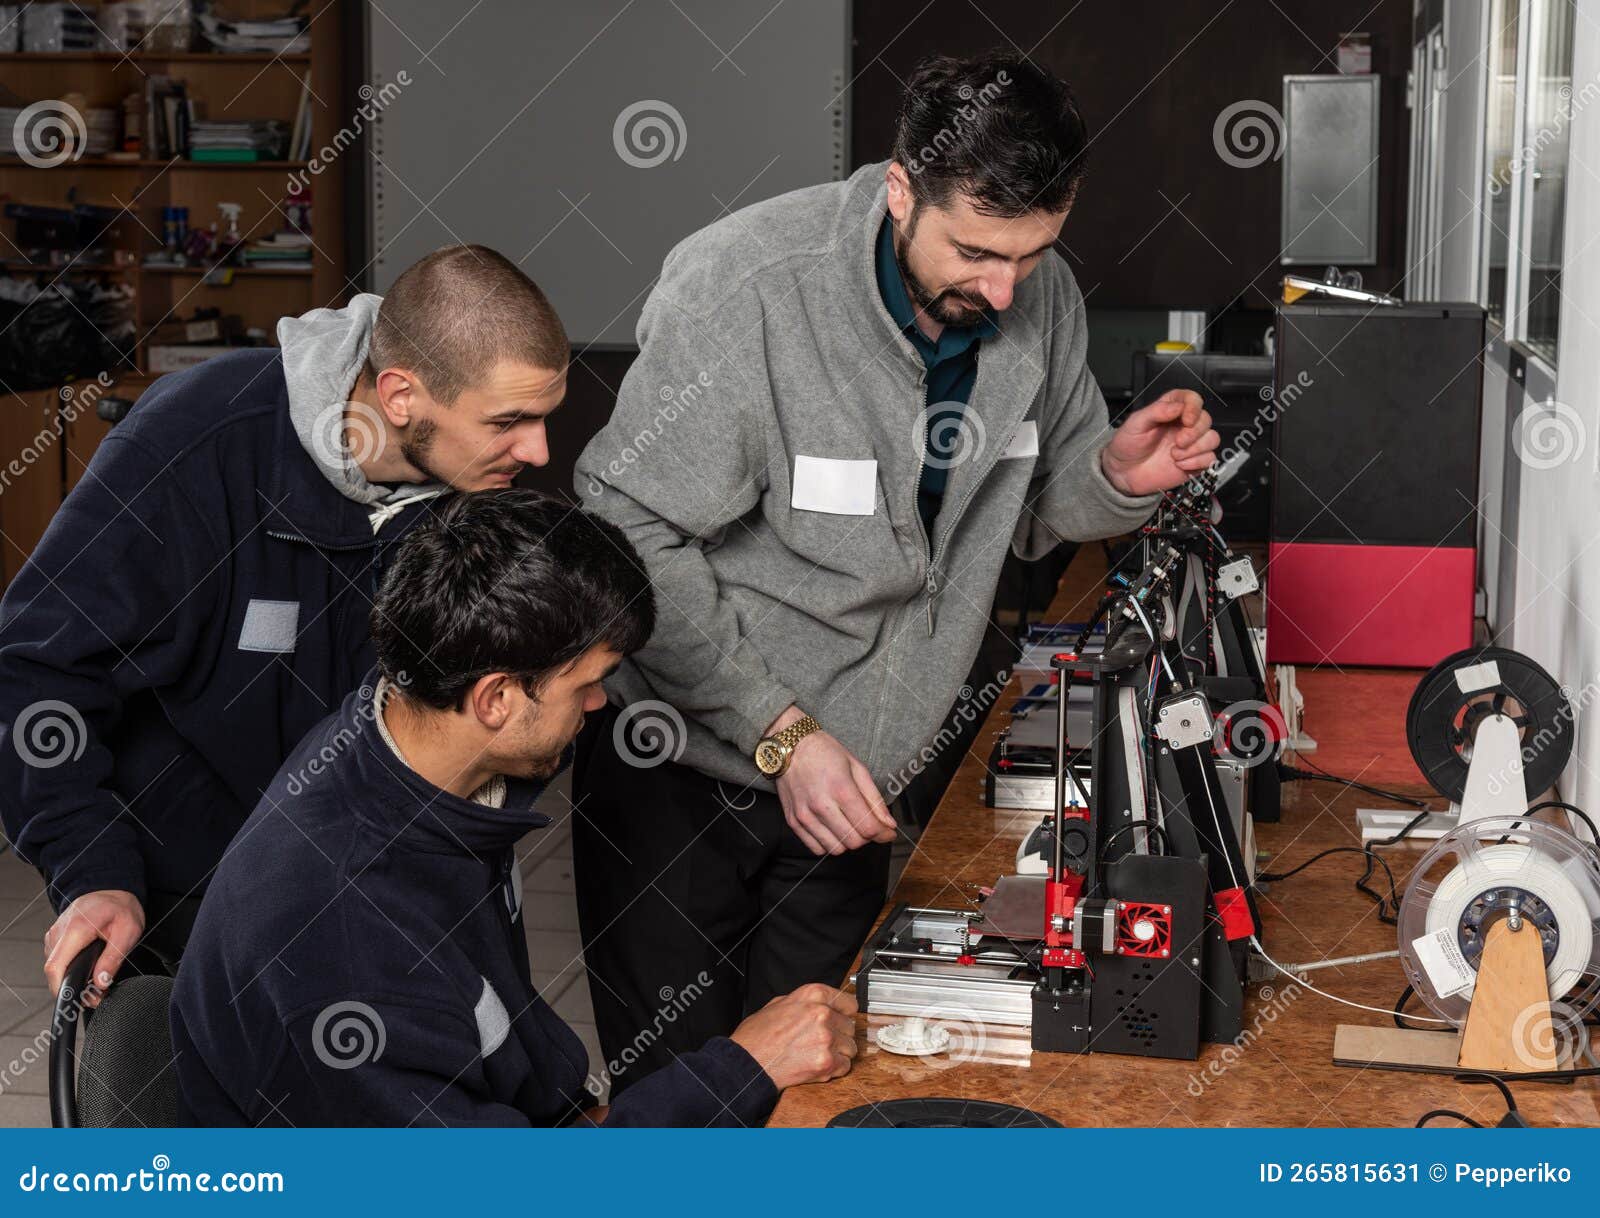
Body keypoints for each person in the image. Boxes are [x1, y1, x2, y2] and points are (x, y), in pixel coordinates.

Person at [572, 50, 1218, 1092]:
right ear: (899, 188)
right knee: (687, 1100)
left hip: (858, 786)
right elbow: (627, 528)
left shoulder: (1035, 295)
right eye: (973, 251)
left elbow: (1042, 510)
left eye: (1034, 252)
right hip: (680, 775)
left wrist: (1114, 476)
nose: (1005, 288)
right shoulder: (750, 292)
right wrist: (785, 734)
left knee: (817, 1094)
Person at [170, 491, 858, 1127]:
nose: (598, 705)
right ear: (496, 699)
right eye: (585, 685)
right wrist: (744, 1066)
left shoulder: (392, 743)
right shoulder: (344, 941)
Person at [0, 245, 570, 997]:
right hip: (193, 900)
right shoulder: (197, 441)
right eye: (511, 420)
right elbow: (35, 667)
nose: (539, 449)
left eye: (543, 417)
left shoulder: (488, 488)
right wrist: (93, 870)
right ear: (400, 396)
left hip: (407, 897)